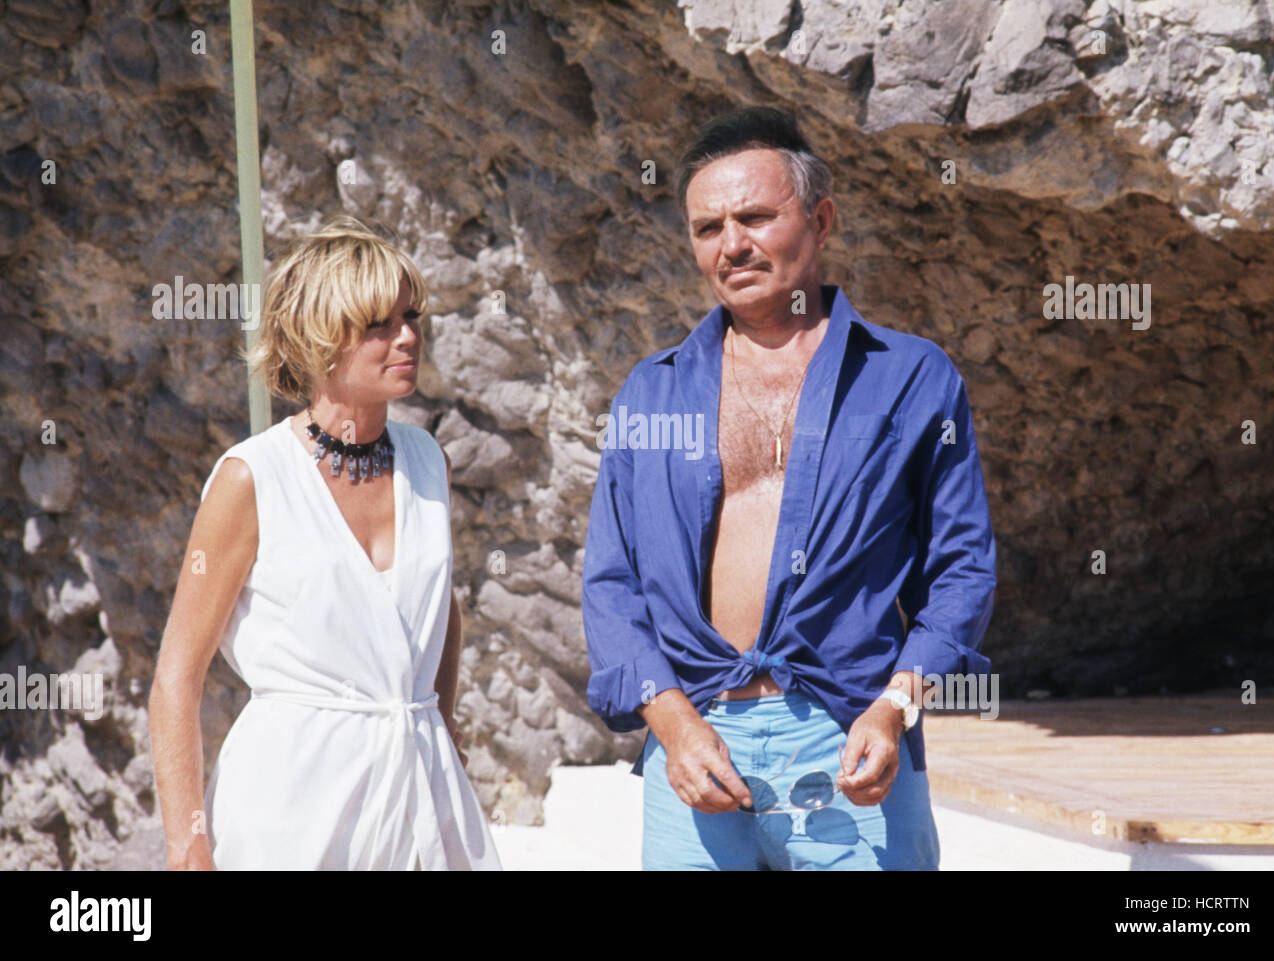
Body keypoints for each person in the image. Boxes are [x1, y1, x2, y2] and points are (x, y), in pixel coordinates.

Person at [582, 107, 997, 870]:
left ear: (820, 219)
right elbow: (612, 581)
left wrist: (896, 706)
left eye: (755, 217)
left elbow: (963, 569)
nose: (731, 244)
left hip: (849, 732)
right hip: (697, 736)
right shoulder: (651, 393)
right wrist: (671, 723)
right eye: (708, 228)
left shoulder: (910, 377)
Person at [149, 215, 501, 870]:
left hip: (423, 795)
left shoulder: (427, 459)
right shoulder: (251, 478)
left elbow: (437, 611)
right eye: (379, 324)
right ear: (319, 339)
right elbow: (177, 677)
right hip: (291, 808)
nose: (408, 336)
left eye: (412, 314)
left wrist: (441, 730)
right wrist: (187, 843)